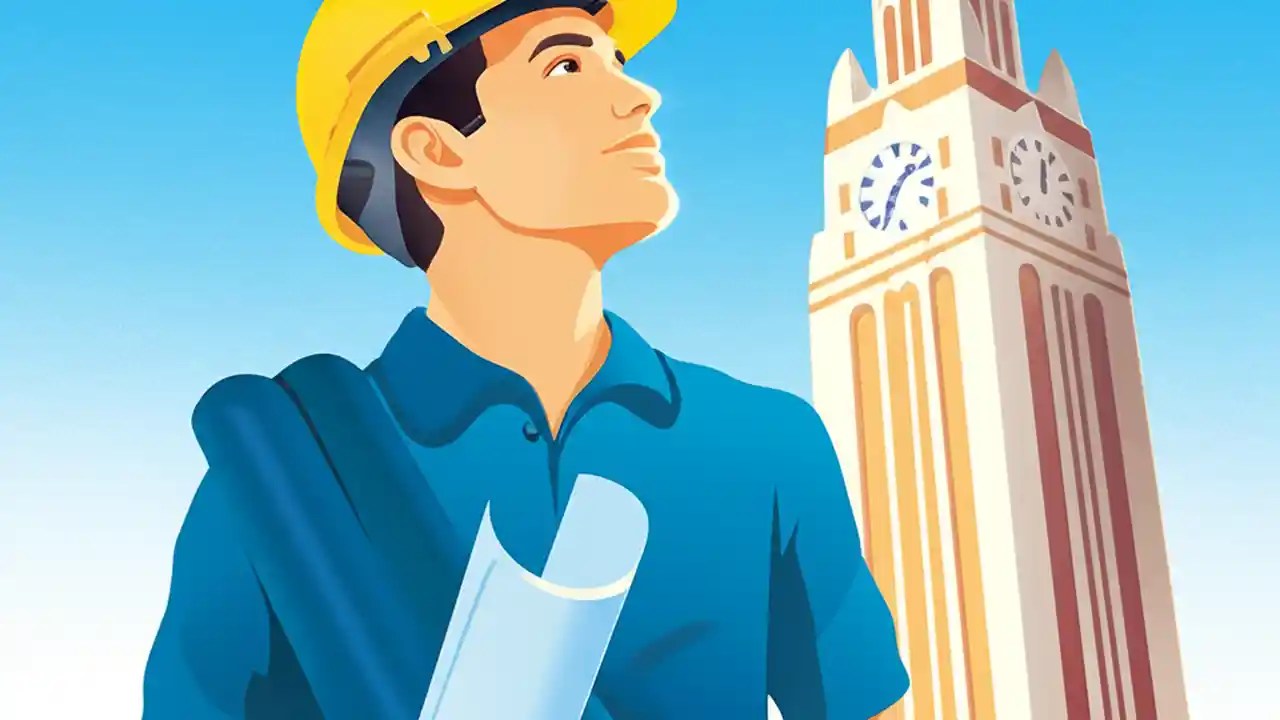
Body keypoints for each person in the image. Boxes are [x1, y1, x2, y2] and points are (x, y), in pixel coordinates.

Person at [142, 0, 910, 717]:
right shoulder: (285, 474)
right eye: (568, 66)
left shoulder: (769, 442)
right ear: (435, 149)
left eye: (617, 60)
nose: (642, 96)